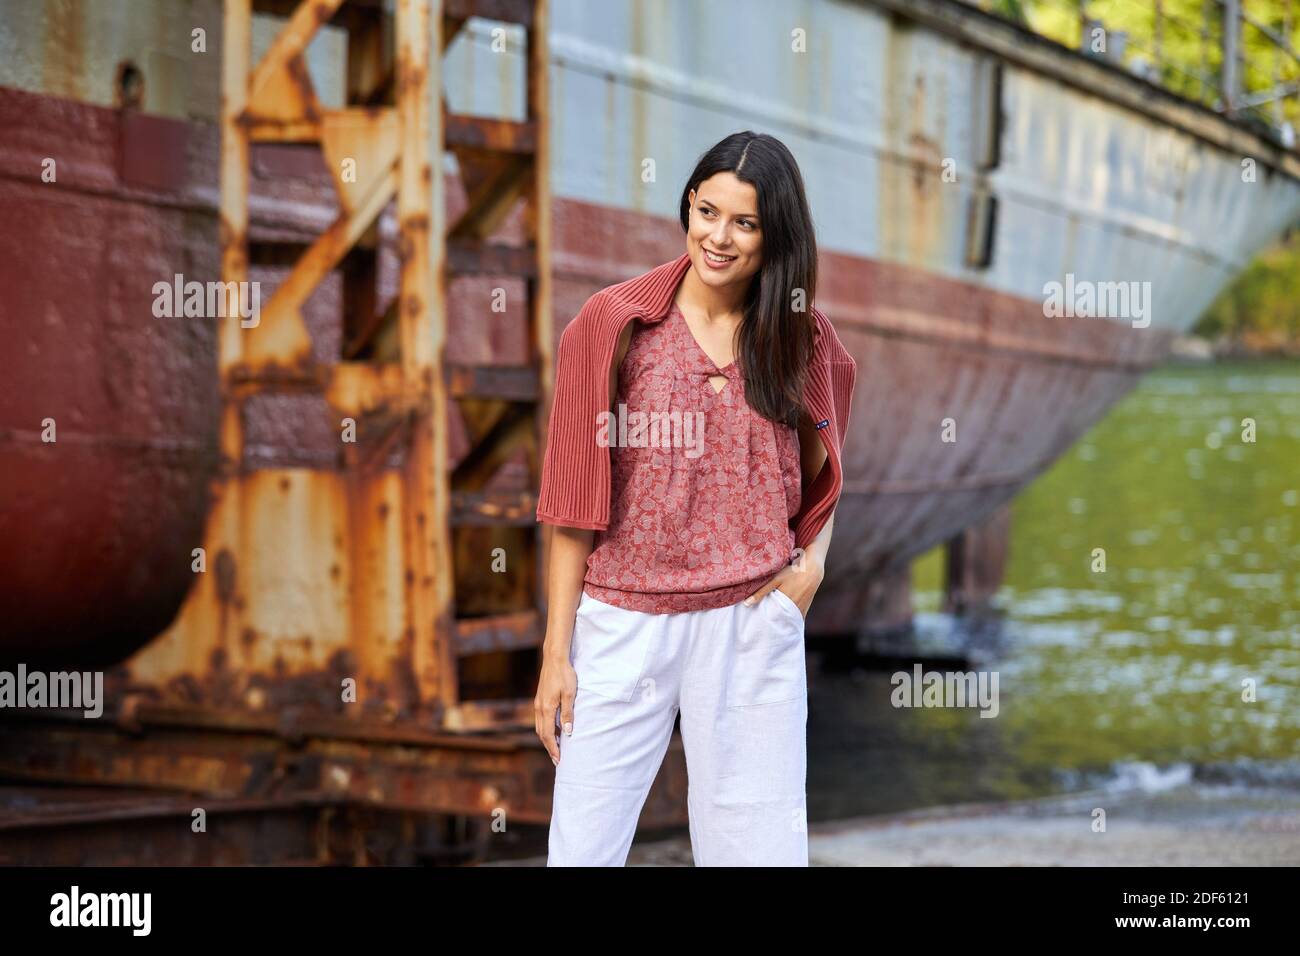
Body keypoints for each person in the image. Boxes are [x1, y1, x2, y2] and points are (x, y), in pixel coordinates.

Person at [533, 131, 857, 866]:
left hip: (751, 622)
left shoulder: (800, 336)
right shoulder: (614, 323)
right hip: (623, 622)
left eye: (745, 223)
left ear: (775, 234)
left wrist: (812, 564)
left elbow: (825, 469)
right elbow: (571, 502)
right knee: (581, 851)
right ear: (687, 204)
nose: (718, 237)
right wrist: (557, 655)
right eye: (707, 212)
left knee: (759, 853)